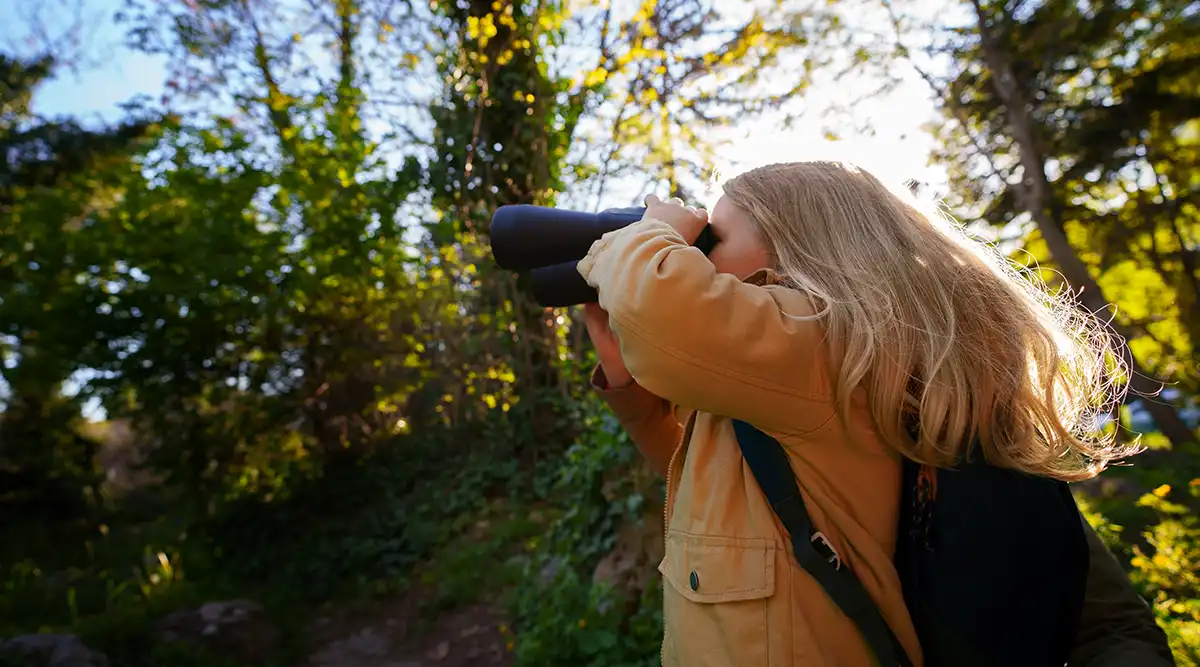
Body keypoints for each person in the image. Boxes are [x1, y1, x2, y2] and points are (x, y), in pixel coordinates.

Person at [578, 160, 1173, 666]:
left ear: (800, 247)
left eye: (712, 238)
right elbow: (726, 495)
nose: (697, 254)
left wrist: (654, 233)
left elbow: (660, 306)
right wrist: (631, 389)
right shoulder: (831, 379)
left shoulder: (820, 344)